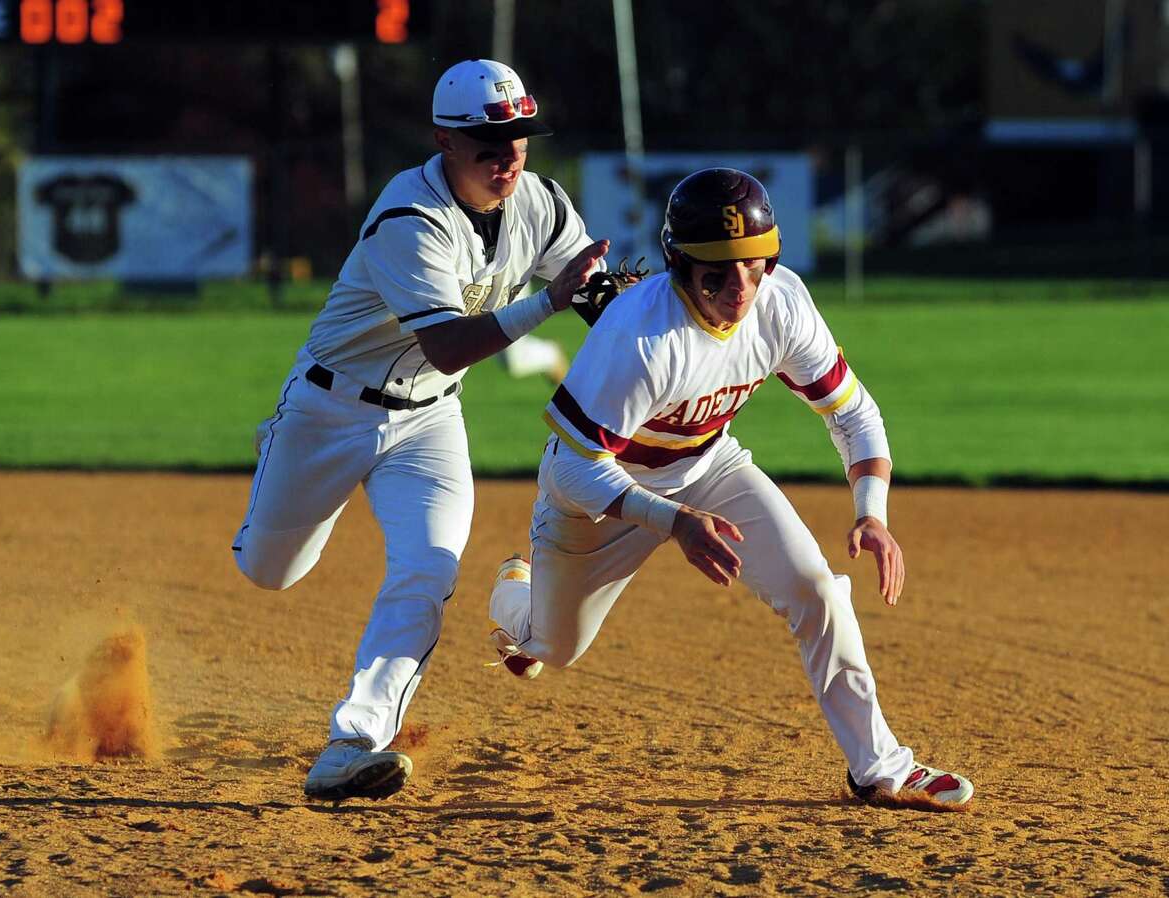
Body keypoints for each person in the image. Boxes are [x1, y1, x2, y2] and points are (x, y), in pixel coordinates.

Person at [488, 168, 975, 806]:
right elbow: (574, 470)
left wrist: (871, 512)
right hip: (602, 491)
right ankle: (515, 595)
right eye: (717, 268)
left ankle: (880, 767)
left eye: (754, 262)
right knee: (552, 646)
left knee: (818, 589)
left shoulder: (782, 303)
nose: (739, 285)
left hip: (707, 464)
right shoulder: (640, 337)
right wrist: (672, 520)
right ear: (678, 262)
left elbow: (853, 413)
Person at [232, 58, 612, 802]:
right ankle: (277, 453)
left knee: (426, 571)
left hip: (430, 418)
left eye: (520, 138)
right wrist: (550, 305)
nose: (507, 155)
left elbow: (590, 291)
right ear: (444, 139)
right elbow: (449, 342)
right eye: (487, 141)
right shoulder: (410, 218)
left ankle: (354, 739)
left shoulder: (541, 202)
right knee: (269, 571)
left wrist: (650, 316)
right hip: (329, 411)